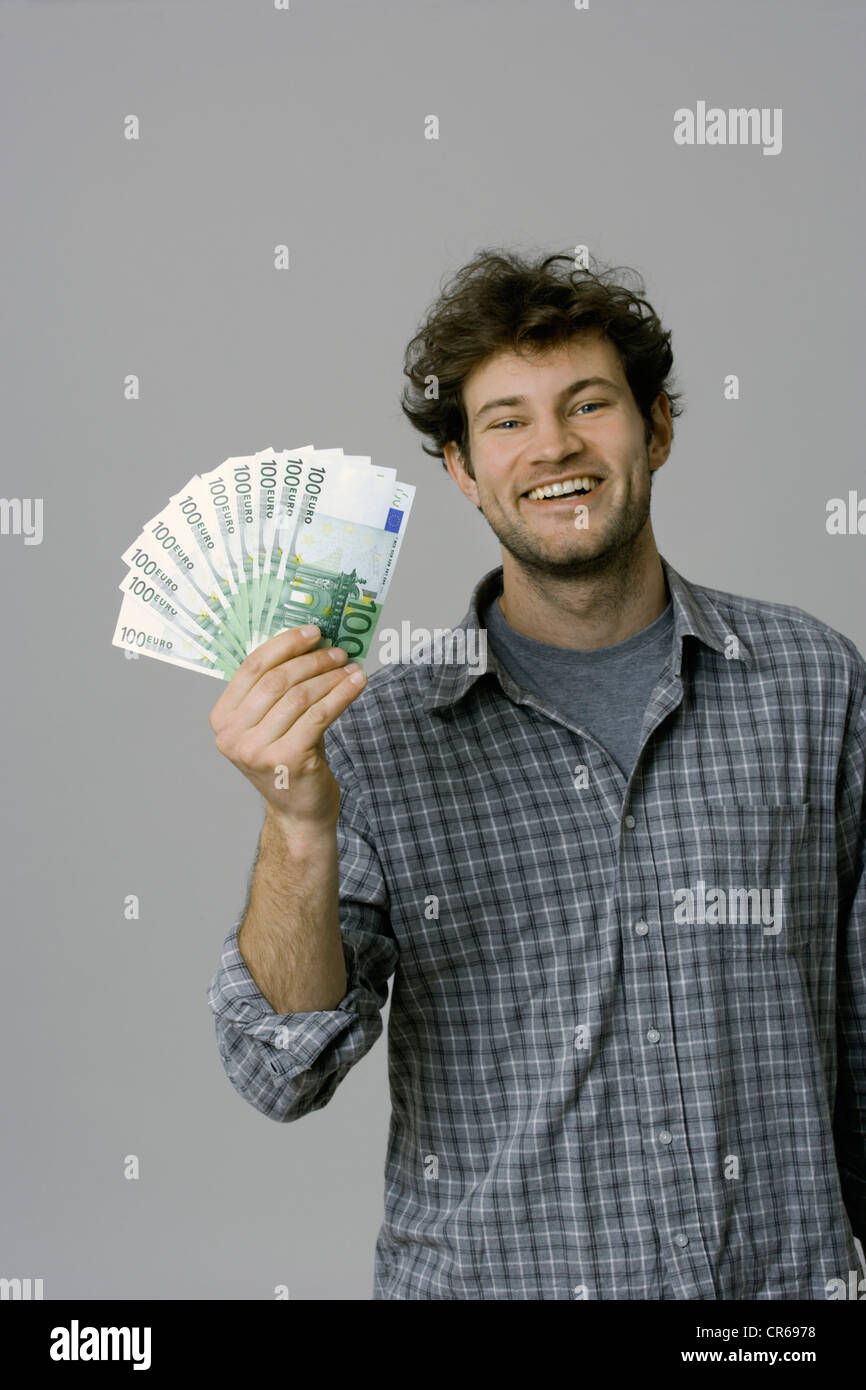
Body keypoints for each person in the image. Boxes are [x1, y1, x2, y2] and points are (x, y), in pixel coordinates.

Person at [207, 249, 866, 1300]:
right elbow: (280, 1066)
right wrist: (295, 824)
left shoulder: (813, 685)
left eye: (586, 403)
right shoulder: (378, 738)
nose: (551, 445)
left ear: (654, 428)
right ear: (463, 469)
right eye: (505, 420)